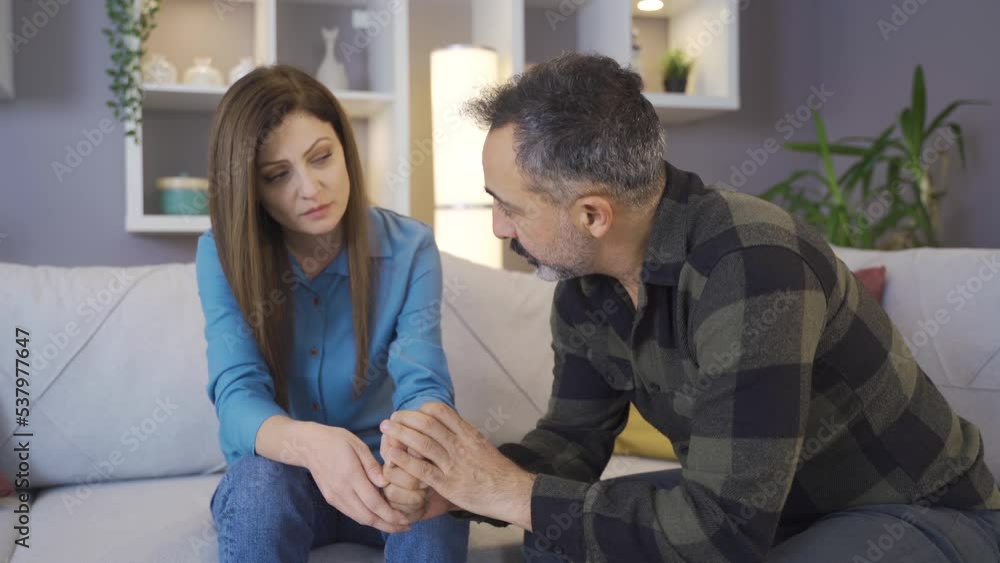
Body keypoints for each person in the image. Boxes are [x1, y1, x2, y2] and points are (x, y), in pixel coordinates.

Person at [377, 53, 1000, 562]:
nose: (497, 229)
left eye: (508, 206)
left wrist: (513, 494)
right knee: (557, 539)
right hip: (765, 507)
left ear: (592, 214)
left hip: (909, 509)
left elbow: (726, 529)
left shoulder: (752, 261)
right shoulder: (586, 284)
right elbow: (571, 445)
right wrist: (454, 487)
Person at [195, 64, 469, 563]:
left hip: (384, 473)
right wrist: (311, 446)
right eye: (278, 176)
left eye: (321, 158)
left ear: (346, 148)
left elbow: (423, 382)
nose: (310, 188)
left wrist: (413, 462)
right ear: (250, 190)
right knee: (260, 488)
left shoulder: (411, 247)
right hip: (281, 473)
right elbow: (236, 395)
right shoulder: (220, 254)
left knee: (436, 506)